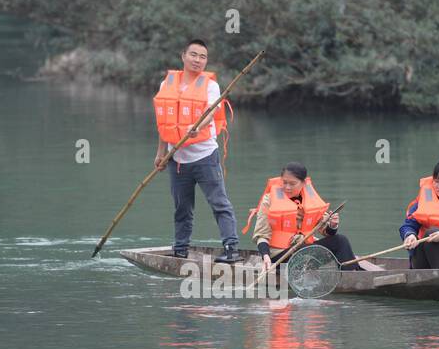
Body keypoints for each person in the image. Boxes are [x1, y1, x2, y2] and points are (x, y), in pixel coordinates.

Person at [153, 38, 240, 264]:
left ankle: (231, 249)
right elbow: (164, 123)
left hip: (205, 157)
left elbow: (211, 111)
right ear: (183, 56)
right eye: (193, 55)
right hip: (176, 160)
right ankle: (180, 249)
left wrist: (197, 127)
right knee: (182, 207)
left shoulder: (211, 85)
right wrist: (160, 153)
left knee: (219, 203)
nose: (198, 60)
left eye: (203, 57)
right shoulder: (167, 84)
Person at [246, 163, 382, 273]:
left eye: (292, 184)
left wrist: (332, 225)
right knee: (306, 250)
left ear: (303, 183)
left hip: (306, 251)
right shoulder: (269, 200)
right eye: (284, 183)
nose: (287, 187)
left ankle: (349, 275)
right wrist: (265, 256)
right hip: (280, 257)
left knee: (340, 240)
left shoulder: (310, 199)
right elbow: (261, 235)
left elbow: (325, 232)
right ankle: (350, 275)